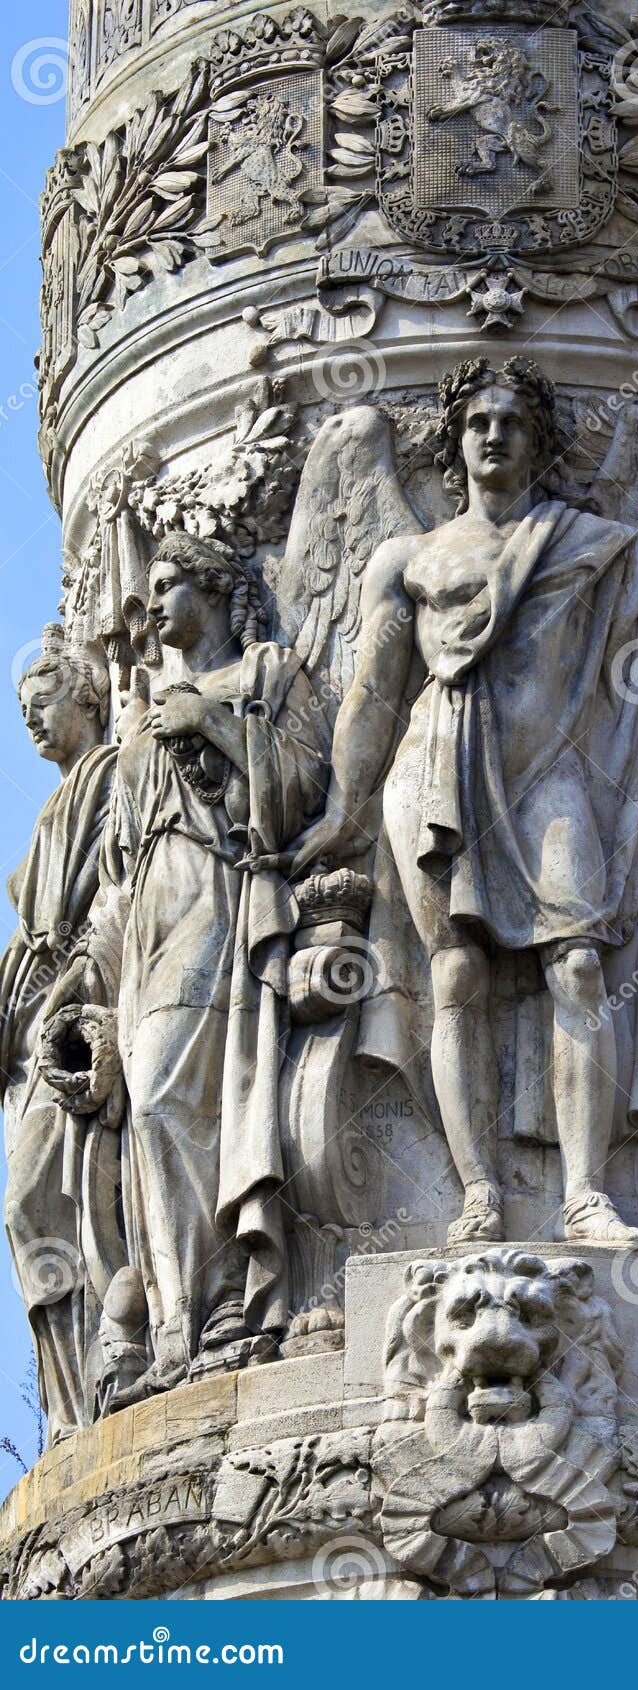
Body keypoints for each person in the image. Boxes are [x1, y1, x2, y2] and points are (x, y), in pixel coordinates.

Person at [290, 357, 638, 1244]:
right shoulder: (410, 559)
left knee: (577, 966)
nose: (493, 433)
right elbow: (372, 696)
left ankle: (585, 1192)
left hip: (553, 774)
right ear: (454, 440)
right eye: (477, 421)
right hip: (439, 770)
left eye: (511, 419)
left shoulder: (592, 545)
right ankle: (479, 1192)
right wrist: (342, 815)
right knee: (454, 975)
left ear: (537, 440)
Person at [49, 538, 327, 1395]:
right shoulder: (137, 733)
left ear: (215, 590)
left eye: (169, 584)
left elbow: (306, 787)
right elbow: (117, 874)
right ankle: (177, 1321)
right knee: (148, 1111)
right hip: (149, 924)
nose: (152, 602)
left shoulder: (264, 673)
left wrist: (210, 722)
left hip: (220, 894)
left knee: (177, 1092)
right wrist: (87, 987)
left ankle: (227, 1301)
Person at [1, 626, 116, 1440]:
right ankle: (69, 1402)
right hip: (36, 1024)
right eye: (20, 710)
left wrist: (79, 978)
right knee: (27, 1208)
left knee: (46, 1193)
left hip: (82, 1011)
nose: (30, 720)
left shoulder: (112, 777)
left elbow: (123, 888)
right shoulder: (52, 812)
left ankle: (107, 1367)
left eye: (40, 699)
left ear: (84, 692)